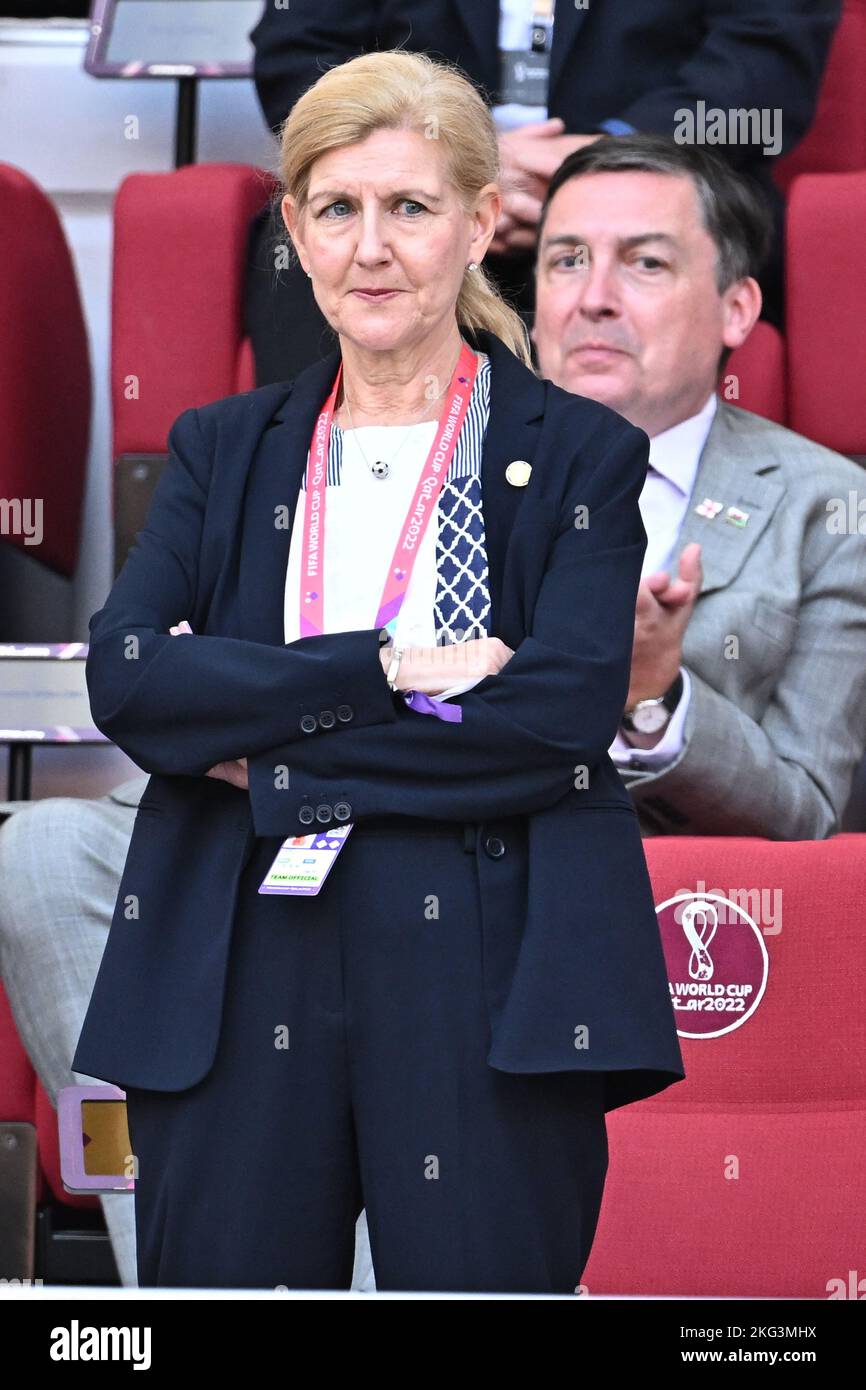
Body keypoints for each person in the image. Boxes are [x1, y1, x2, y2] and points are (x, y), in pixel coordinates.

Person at [69, 50, 683, 1293]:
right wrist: (394, 668)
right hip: (241, 950)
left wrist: (274, 755)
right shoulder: (220, 446)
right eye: (336, 209)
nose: (370, 246)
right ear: (293, 229)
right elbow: (131, 680)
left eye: (408, 207)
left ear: (476, 224)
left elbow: (554, 717)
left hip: (485, 955)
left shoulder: (578, 455)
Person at [530, 135, 866, 838]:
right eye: (567, 261)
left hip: (688, 916)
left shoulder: (831, 509)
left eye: (645, 263)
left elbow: (810, 813)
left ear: (737, 308)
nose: (593, 299)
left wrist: (653, 699)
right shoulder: (442, 470)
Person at [245, 0, 842, 384]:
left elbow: (768, 59)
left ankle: (626, 534)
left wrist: (599, 163)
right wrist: (459, 167)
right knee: (324, 227)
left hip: (657, 172)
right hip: (419, 181)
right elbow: (301, 53)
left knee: (656, 236)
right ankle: (326, 504)